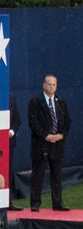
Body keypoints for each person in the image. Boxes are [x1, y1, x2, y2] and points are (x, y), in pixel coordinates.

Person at [29, 75, 71, 212]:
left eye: (54, 85)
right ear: (44, 85)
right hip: (41, 143)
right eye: (49, 84)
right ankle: (35, 203)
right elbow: (33, 122)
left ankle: (57, 203)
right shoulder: (35, 102)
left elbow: (67, 121)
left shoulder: (61, 102)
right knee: (38, 174)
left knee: (57, 174)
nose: (52, 87)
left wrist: (61, 135)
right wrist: (46, 135)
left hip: (57, 144)